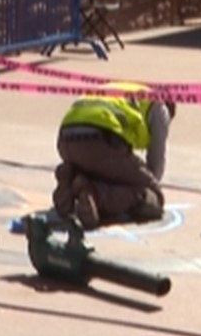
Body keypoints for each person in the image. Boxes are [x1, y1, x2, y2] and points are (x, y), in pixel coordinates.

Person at [51, 83, 175, 229]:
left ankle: (71, 178)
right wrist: (148, 185)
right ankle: (96, 196)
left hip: (66, 140)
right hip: (101, 140)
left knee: (106, 170)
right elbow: (156, 164)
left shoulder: (126, 92)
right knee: (153, 196)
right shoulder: (159, 107)